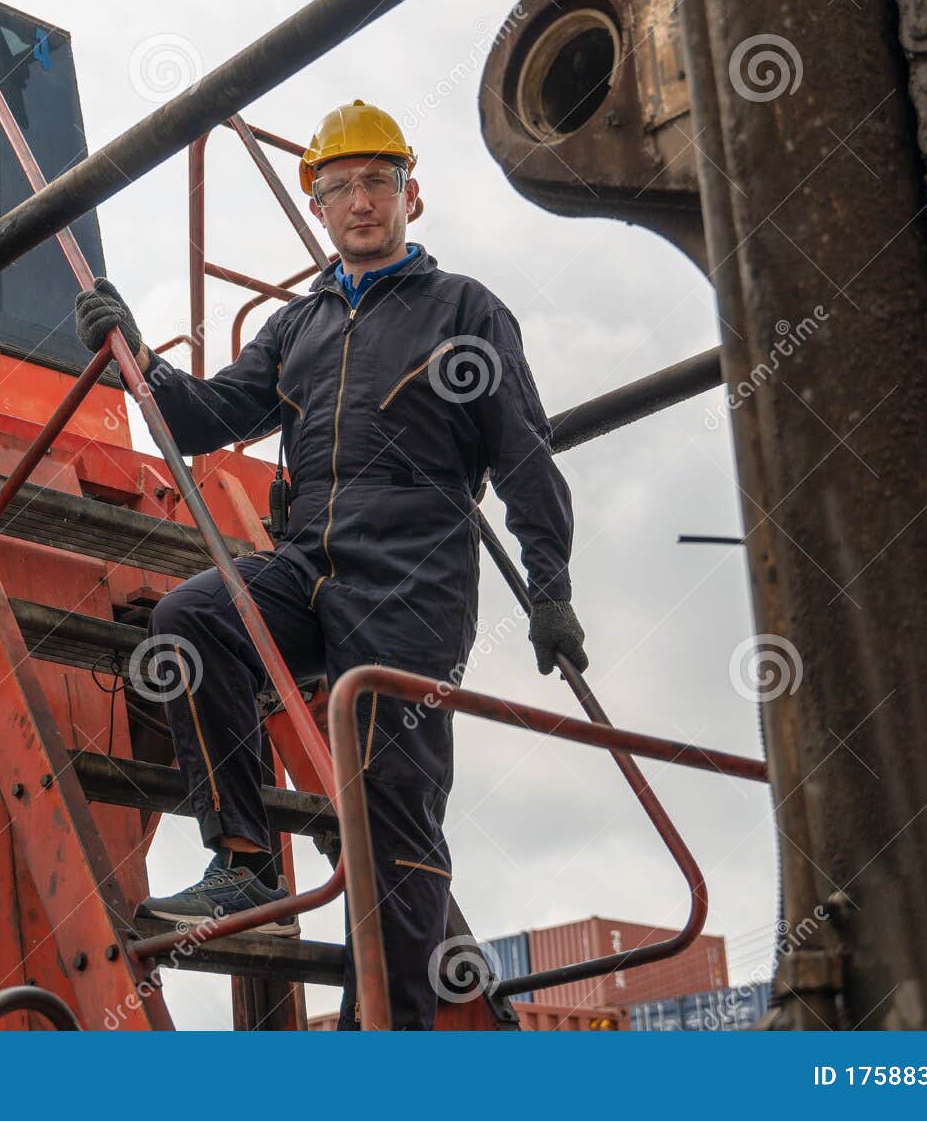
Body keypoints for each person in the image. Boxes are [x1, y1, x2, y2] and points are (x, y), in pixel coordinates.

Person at [73, 100, 585, 1029]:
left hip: (411, 579)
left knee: (392, 805)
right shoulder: (298, 327)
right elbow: (205, 416)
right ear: (317, 206)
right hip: (307, 562)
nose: (360, 200)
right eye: (339, 186)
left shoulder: (463, 310)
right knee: (193, 616)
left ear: (411, 196)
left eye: (377, 182)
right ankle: (242, 859)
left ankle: (381, 1033)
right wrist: (137, 357)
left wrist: (550, 592)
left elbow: (525, 459)